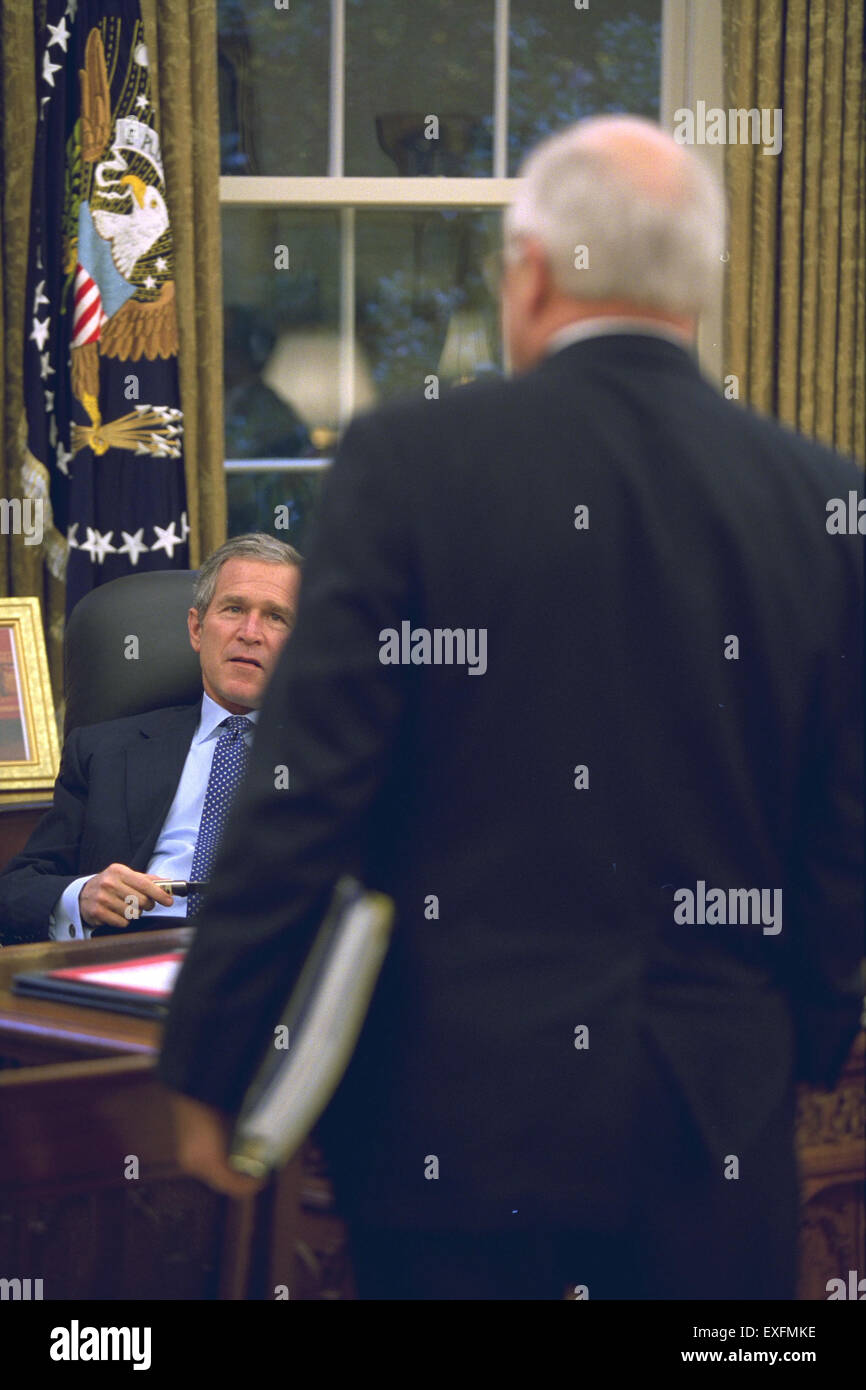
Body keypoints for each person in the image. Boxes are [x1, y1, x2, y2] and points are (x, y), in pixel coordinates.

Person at [157, 117, 863, 1300]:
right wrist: (796, 1043)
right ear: (693, 286)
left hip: (456, 1130)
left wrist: (216, 1059)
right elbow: (842, 834)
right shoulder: (825, 503)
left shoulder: (410, 466)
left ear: (528, 273)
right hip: (714, 1134)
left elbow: (303, 795)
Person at [0, 533, 301, 945]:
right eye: (233, 609)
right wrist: (82, 896)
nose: (250, 632)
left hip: (273, 960)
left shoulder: (339, 758)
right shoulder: (103, 752)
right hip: (131, 950)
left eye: (276, 617)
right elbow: (16, 890)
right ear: (197, 629)